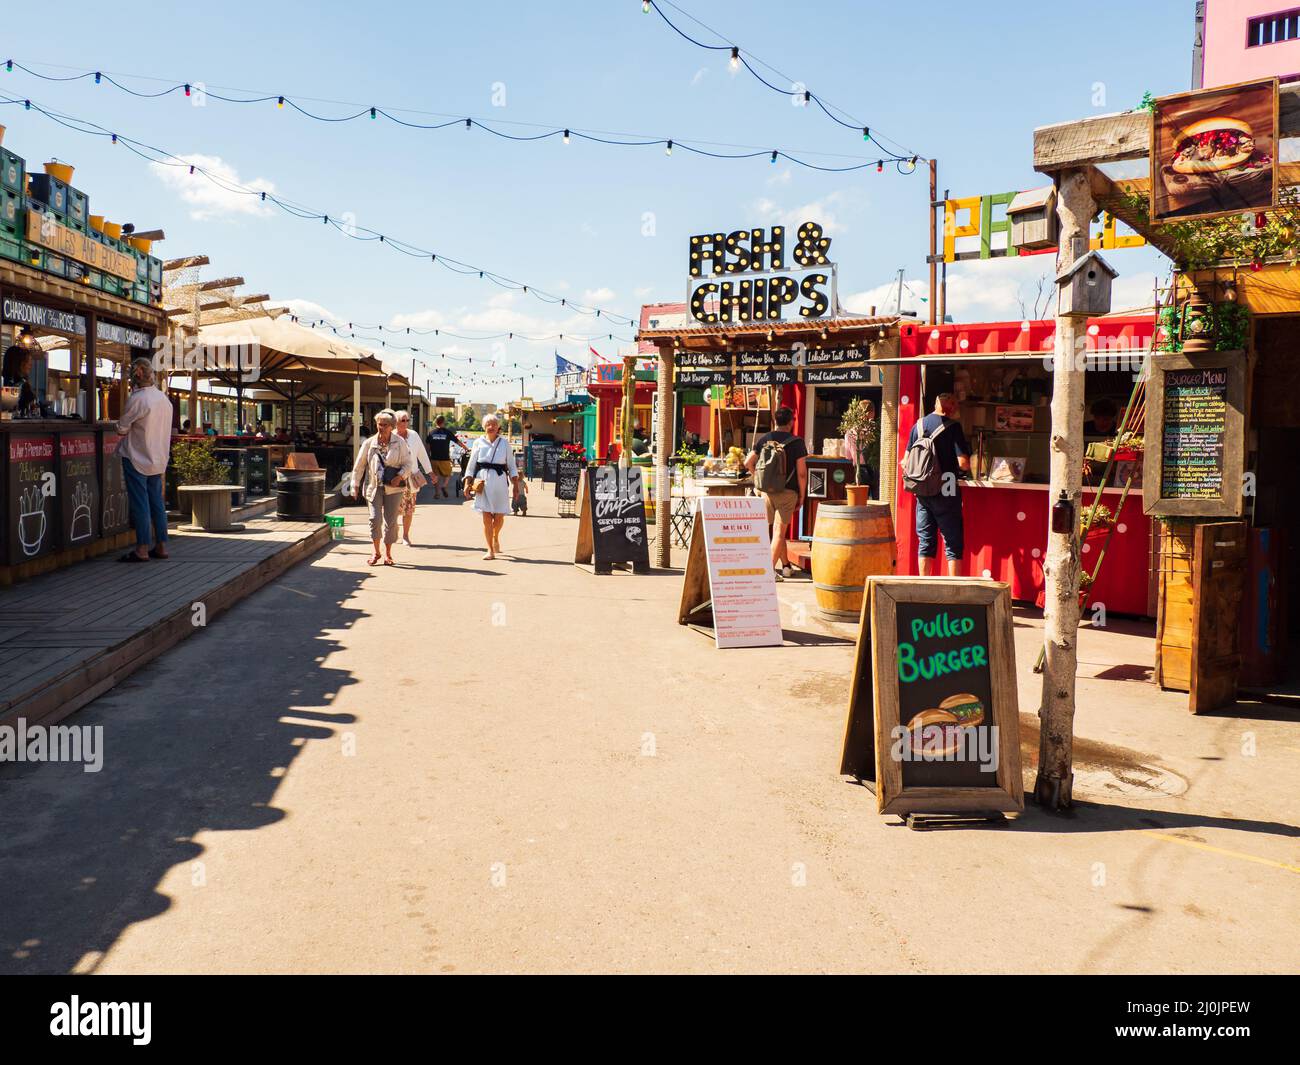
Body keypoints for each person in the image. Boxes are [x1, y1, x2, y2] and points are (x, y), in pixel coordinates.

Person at [906, 392, 971, 577]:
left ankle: (924, 585)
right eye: (955, 404)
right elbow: (963, 463)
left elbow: (905, 461)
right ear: (949, 406)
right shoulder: (953, 428)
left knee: (926, 540)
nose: (957, 408)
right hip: (947, 487)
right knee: (952, 542)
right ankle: (954, 590)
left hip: (922, 490)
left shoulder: (917, 425)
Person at [116, 358, 174, 563]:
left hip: (137, 456)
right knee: (157, 502)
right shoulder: (164, 400)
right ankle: (161, 545)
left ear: (137, 375)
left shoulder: (138, 399)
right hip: (157, 458)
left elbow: (121, 428)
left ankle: (141, 548)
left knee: (141, 503)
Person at [745, 405, 808, 580]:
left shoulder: (765, 439)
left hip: (766, 492)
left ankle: (786, 566)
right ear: (790, 422)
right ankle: (768, 570)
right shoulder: (797, 442)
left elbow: (748, 462)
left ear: (775, 421)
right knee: (780, 533)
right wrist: (802, 496)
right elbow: (802, 473)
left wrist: (758, 479)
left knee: (772, 532)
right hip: (788, 493)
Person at [349, 410, 413, 566]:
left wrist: (400, 476)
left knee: (390, 521)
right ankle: (376, 551)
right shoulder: (369, 443)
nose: (381, 427)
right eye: (379, 424)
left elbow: (408, 464)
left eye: (385, 425)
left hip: (394, 487)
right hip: (373, 486)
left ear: (391, 427)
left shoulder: (399, 442)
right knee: (375, 519)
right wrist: (354, 485)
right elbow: (359, 465)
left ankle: (388, 553)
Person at [464, 413, 519, 561]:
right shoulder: (478, 442)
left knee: (499, 517)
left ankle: (495, 536)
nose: (491, 427)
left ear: (498, 427)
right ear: (484, 427)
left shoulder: (505, 443)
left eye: (494, 424)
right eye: (488, 424)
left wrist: (515, 486)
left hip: (500, 483)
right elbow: (471, 465)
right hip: (483, 483)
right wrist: (467, 483)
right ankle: (490, 549)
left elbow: (512, 466)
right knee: (487, 517)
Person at [394, 410, 433, 547]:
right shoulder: (391, 436)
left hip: (411, 478)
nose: (405, 423)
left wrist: (430, 472)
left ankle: (405, 535)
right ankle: (393, 531)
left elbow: (422, 454)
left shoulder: (414, 435)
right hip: (395, 478)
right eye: (402, 420)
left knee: (409, 509)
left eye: (407, 420)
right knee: (393, 508)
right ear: (396, 422)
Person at [424, 415, 469, 499]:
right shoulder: (447, 432)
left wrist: (427, 456)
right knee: (448, 474)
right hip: (445, 458)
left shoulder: (431, 433)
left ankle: (437, 493)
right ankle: (444, 486)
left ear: (435, 422)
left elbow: (427, 446)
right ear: (443, 422)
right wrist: (466, 448)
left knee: (435, 476)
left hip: (434, 458)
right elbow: (457, 442)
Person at [2, 344, 37, 413]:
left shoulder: (23, 383)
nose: (30, 364)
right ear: (18, 362)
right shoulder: (7, 383)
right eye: (27, 361)